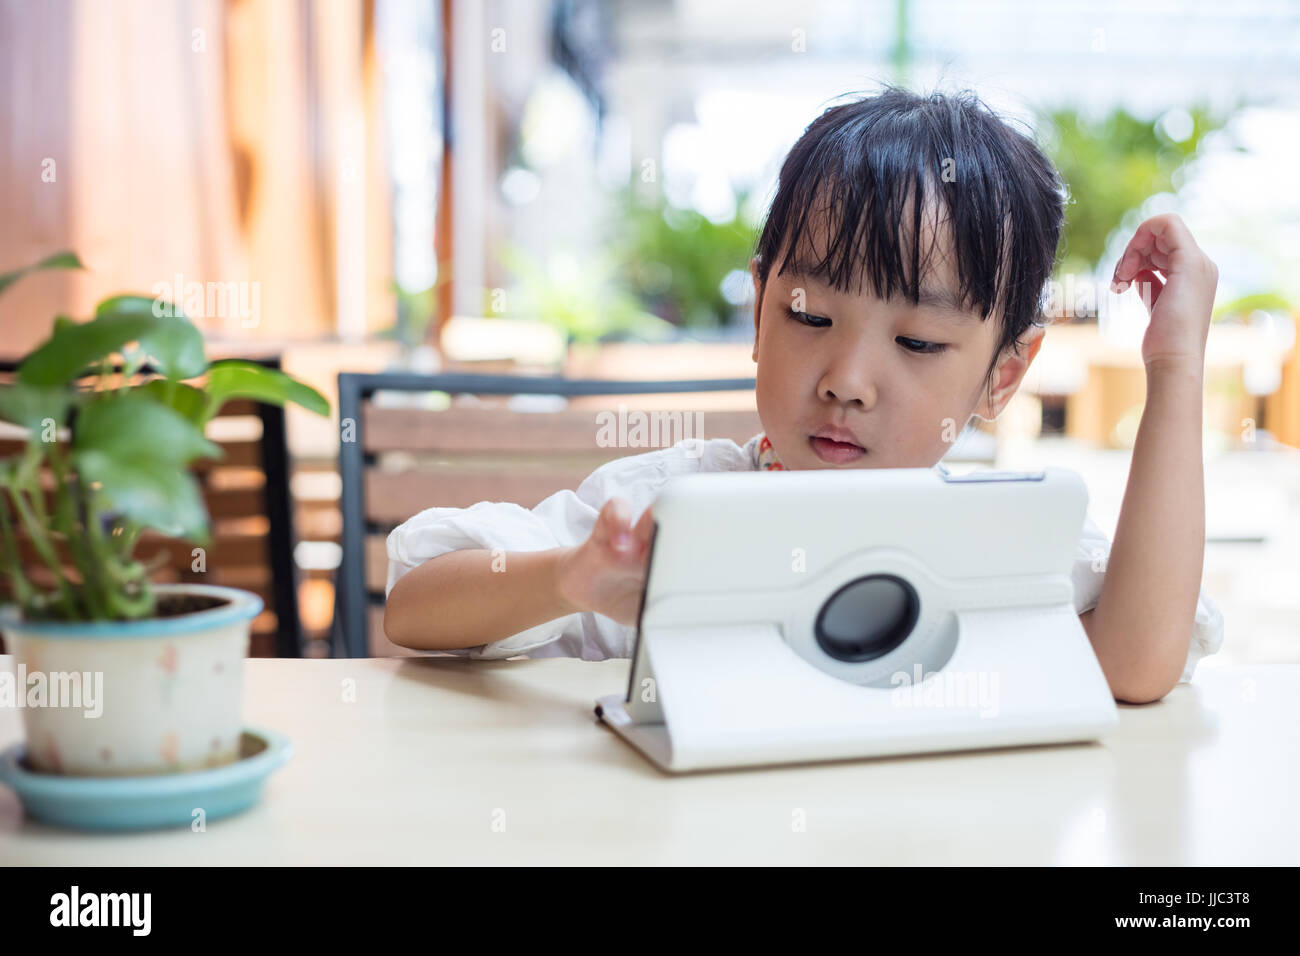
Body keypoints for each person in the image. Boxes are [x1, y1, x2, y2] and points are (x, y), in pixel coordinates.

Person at [383, 85, 1225, 703]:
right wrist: (570, 577)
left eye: (920, 342)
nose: (846, 382)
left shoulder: (999, 547)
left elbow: (1137, 660)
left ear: (1002, 377)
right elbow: (418, 603)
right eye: (811, 315)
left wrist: (1176, 365)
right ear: (759, 311)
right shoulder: (669, 514)